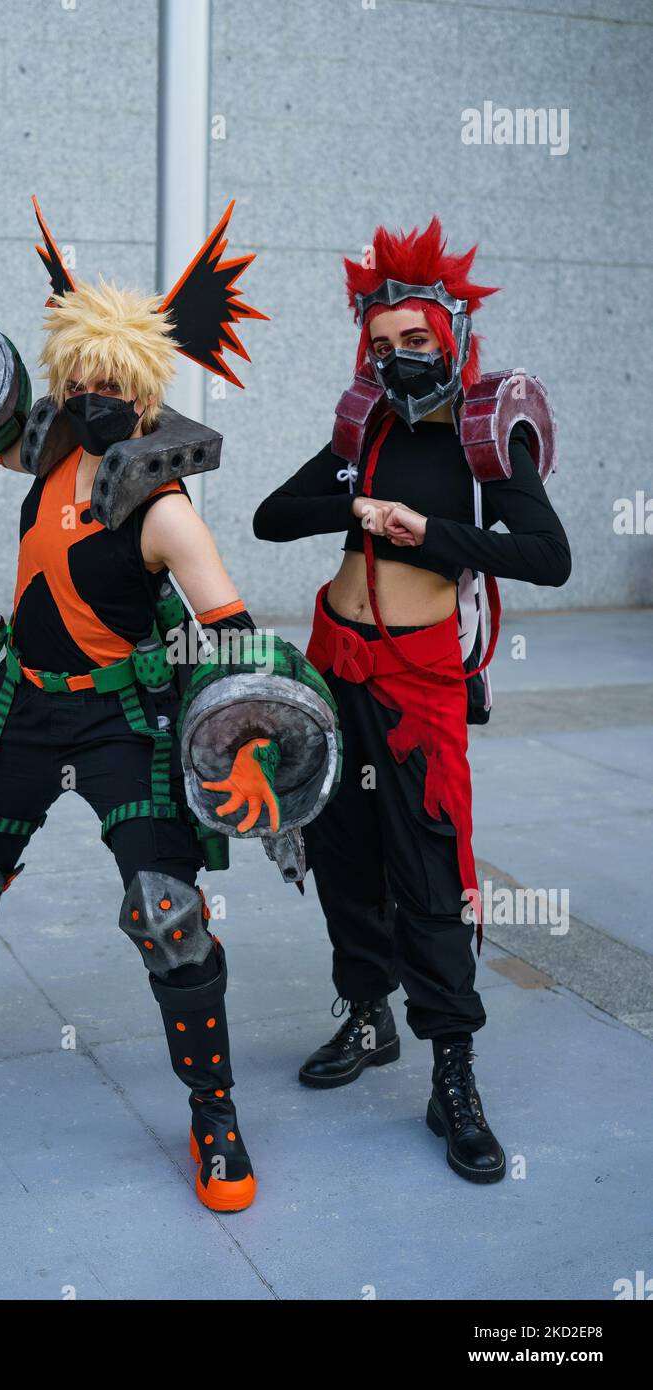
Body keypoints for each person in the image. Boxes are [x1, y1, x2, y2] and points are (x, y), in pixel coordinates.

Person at [0, 200, 289, 1213]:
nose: (94, 396)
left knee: (167, 912)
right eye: (80, 379)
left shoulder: (164, 507)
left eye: (113, 385)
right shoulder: (46, 450)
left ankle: (213, 1112)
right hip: (22, 705)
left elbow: (229, 632)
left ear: (144, 397)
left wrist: (248, 738)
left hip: (118, 723)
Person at [253, 216, 571, 1184]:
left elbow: (547, 558)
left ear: (454, 335)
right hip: (333, 664)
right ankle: (365, 1013)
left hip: (416, 683)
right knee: (339, 851)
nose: (396, 358)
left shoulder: (482, 442)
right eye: (380, 344)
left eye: (414, 341)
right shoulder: (363, 431)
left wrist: (425, 531)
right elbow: (273, 518)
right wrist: (352, 506)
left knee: (429, 874)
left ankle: (452, 1073)